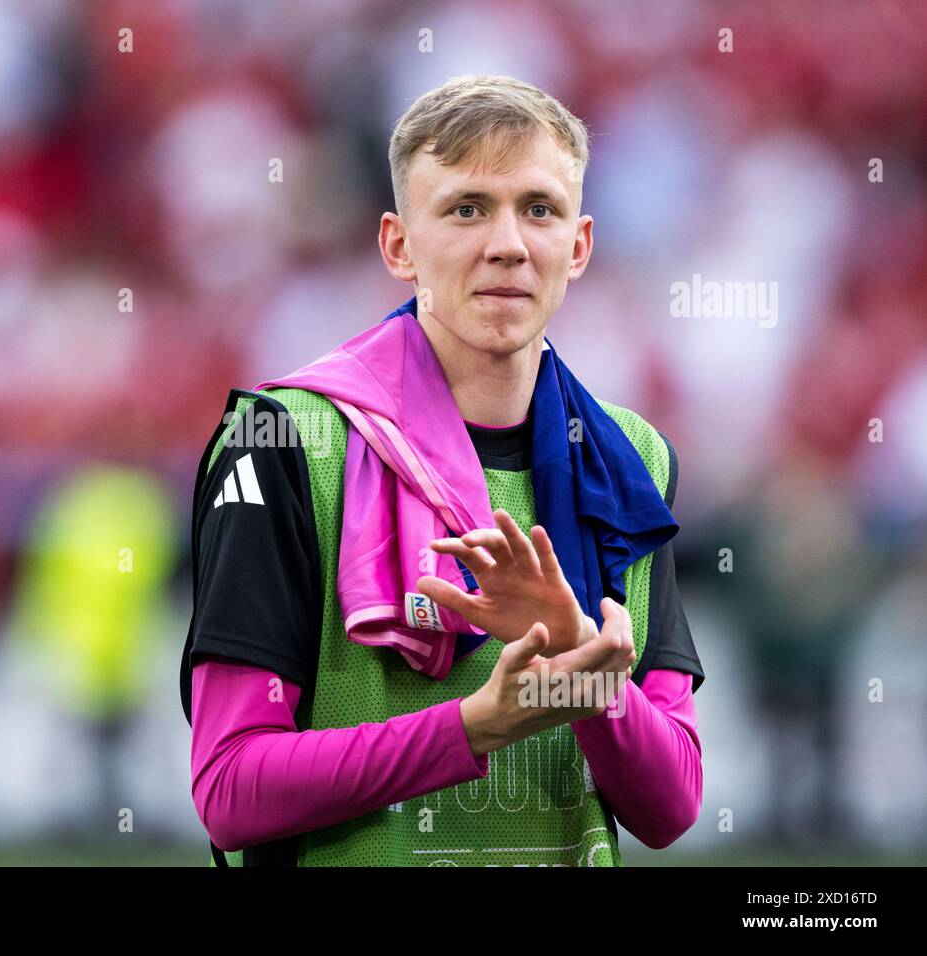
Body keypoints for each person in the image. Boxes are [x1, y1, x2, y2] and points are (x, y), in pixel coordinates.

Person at [179, 74, 705, 867]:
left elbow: (672, 807)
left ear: (580, 244)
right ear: (398, 245)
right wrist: (473, 729)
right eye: (466, 208)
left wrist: (589, 684)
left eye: (539, 209)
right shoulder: (279, 440)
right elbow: (229, 791)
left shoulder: (633, 456)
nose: (507, 243)